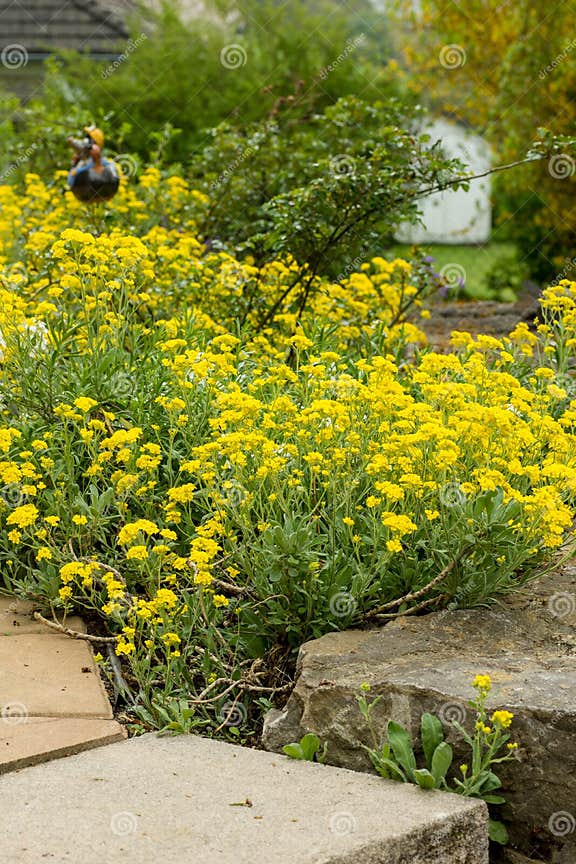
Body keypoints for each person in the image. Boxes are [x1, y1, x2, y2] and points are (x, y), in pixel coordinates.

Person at [67, 126, 120, 203]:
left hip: (93, 178)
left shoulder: (101, 159)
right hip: (87, 184)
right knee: (73, 173)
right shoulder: (84, 150)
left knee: (73, 174)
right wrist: (75, 162)